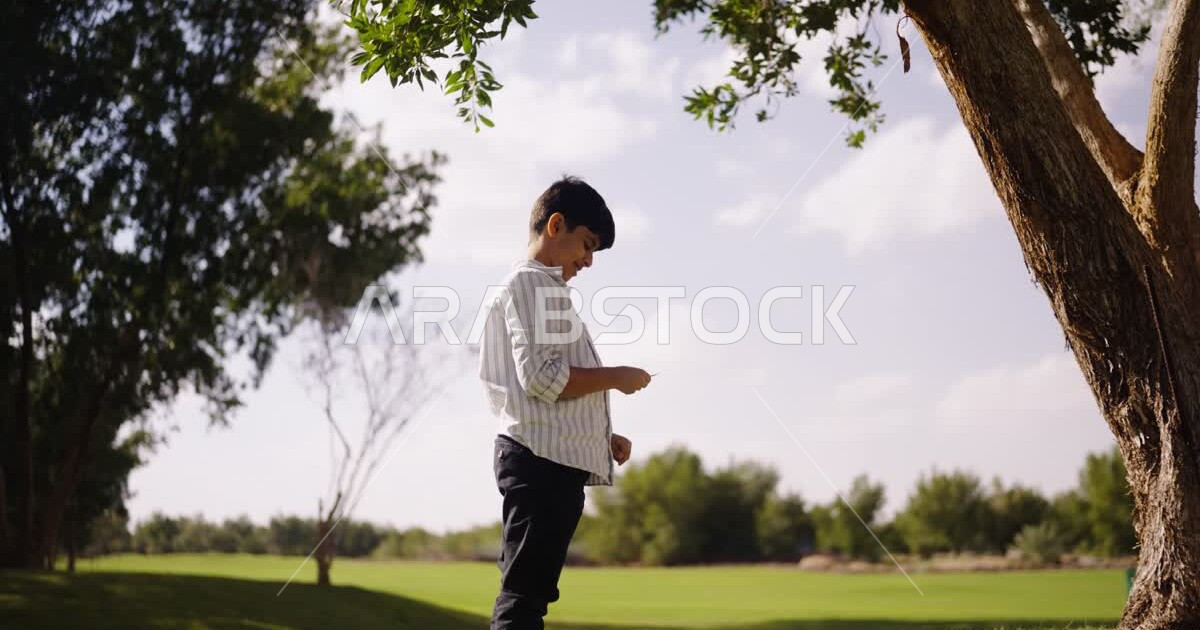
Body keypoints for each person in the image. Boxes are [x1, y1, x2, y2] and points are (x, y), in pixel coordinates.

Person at [479, 175, 653, 630]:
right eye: (587, 244)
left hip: (545, 457)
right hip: (541, 465)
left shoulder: (541, 289)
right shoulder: (534, 284)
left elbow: (536, 390)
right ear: (556, 225)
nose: (589, 261)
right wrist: (616, 377)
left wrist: (600, 434)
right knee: (524, 599)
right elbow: (542, 378)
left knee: (529, 594)